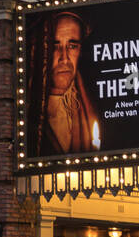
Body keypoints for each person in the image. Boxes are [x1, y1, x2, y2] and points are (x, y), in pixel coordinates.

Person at [26, 11, 99, 155]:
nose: (64, 59)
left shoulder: (90, 109)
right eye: (55, 47)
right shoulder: (28, 110)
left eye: (72, 46)